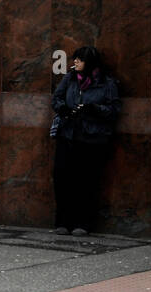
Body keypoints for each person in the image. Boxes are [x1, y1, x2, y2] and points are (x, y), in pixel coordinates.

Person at [51, 45, 121, 237]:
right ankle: (63, 221)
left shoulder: (106, 83)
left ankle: (83, 222)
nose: (75, 62)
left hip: (91, 138)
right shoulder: (70, 78)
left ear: (89, 63)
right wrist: (63, 108)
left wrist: (94, 109)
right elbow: (56, 98)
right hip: (68, 135)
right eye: (75, 59)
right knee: (62, 178)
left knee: (86, 181)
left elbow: (114, 109)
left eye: (80, 60)